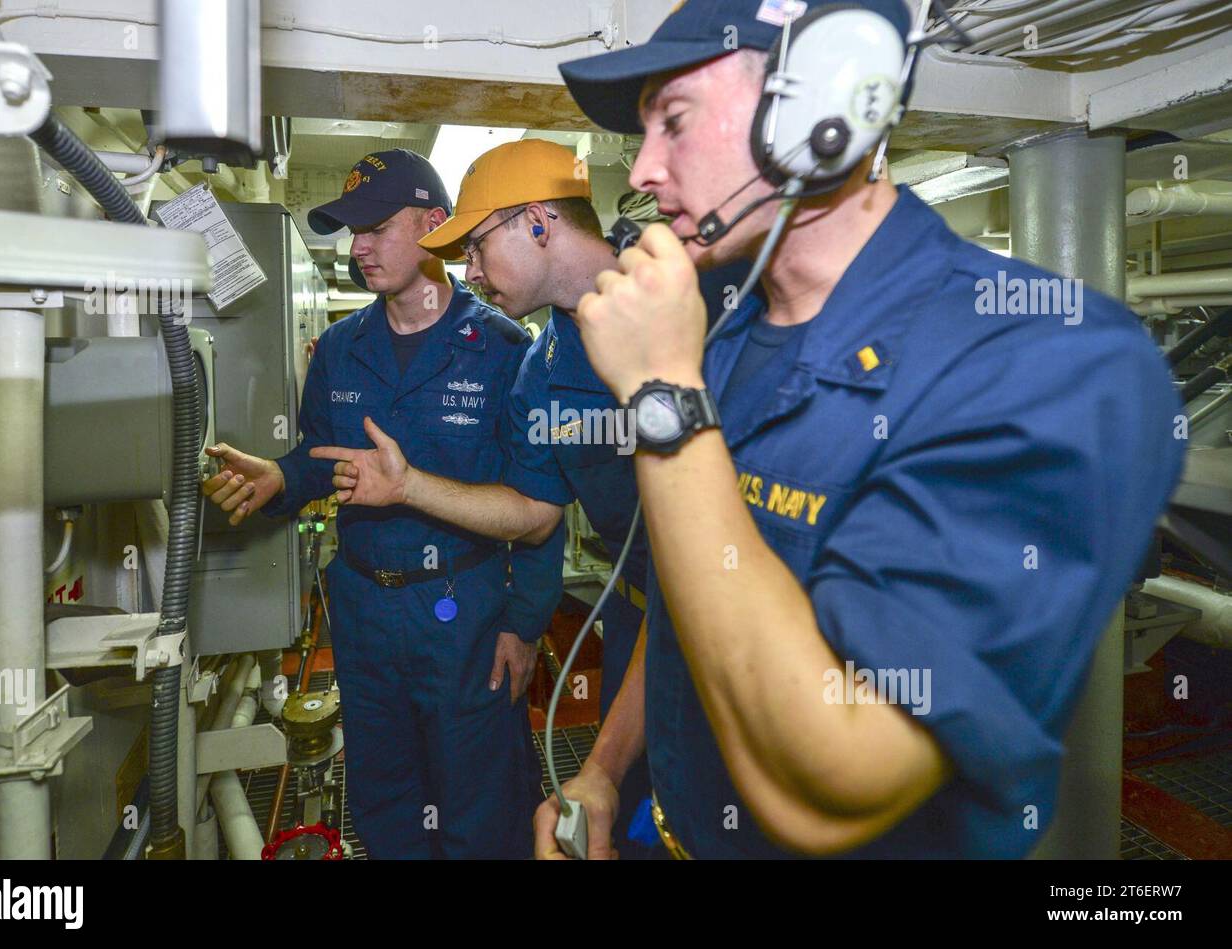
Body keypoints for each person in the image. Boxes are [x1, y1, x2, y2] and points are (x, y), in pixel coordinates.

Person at [519, 0, 1185, 858]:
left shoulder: (1051, 364)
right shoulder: (720, 347)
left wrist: (660, 392)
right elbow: (690, 593)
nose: (642, 169)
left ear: (824, 113)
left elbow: (835, 783)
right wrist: (607, 767)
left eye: (673, 120)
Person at [201, 148, 560, 858]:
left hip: (468, 613)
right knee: (386, 800)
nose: (358, 247)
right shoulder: (338, 348)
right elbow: (322, 460)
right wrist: (278, 476)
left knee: (480, 805)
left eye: (376, 227)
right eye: (349, 230)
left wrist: (525, 623)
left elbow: (542, 504)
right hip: (364, 612)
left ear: (433, 225)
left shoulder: (502, 348)